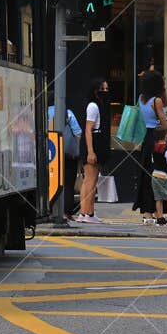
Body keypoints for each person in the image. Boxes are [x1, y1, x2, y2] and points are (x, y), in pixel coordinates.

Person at [75, 77, 112, 224]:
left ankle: (87, 212)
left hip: (96, 144)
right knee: (90, 180)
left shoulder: (99, 105)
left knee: (90, 180)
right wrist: (91, 151)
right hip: (93, 144)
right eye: (102, 89)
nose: (105, 91)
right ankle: (86, 213)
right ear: (95, 91)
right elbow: (88, 130)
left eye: (107, 89)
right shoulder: (93, 106)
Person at [133, 71, 167, 223]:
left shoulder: (140, 99)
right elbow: (163, 120)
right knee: (157, 174)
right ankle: (154, 211)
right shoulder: (157, 100)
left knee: (146, 173)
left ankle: (147, 211)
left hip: (143, 136)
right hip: (155, 136)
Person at [47, 101, 81, 225]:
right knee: (68, 184)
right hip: (68, 155)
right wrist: (76, 149)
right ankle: (67, 212)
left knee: (50, 182)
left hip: (50, 154)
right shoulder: (68, 113)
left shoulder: (44, 112)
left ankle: (50, 211)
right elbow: (77, 132)